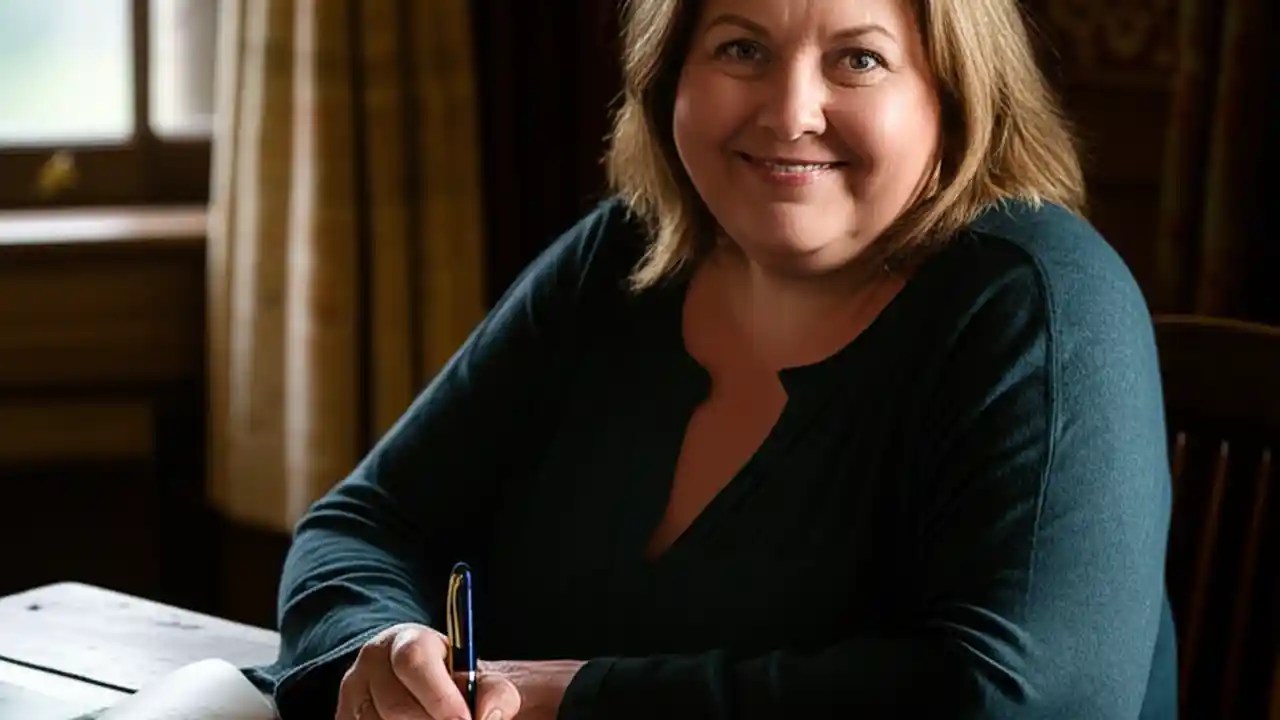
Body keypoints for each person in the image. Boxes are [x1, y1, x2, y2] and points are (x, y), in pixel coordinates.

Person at [246, 0, 1178, 717]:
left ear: (952, 91)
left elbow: (1022, 703)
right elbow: (365, 524)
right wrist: (381, 646)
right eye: (740, 48)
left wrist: (568, 698)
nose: (789, 114)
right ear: (670, 73)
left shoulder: (1046, 300)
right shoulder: (622, 253)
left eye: (859, 58)